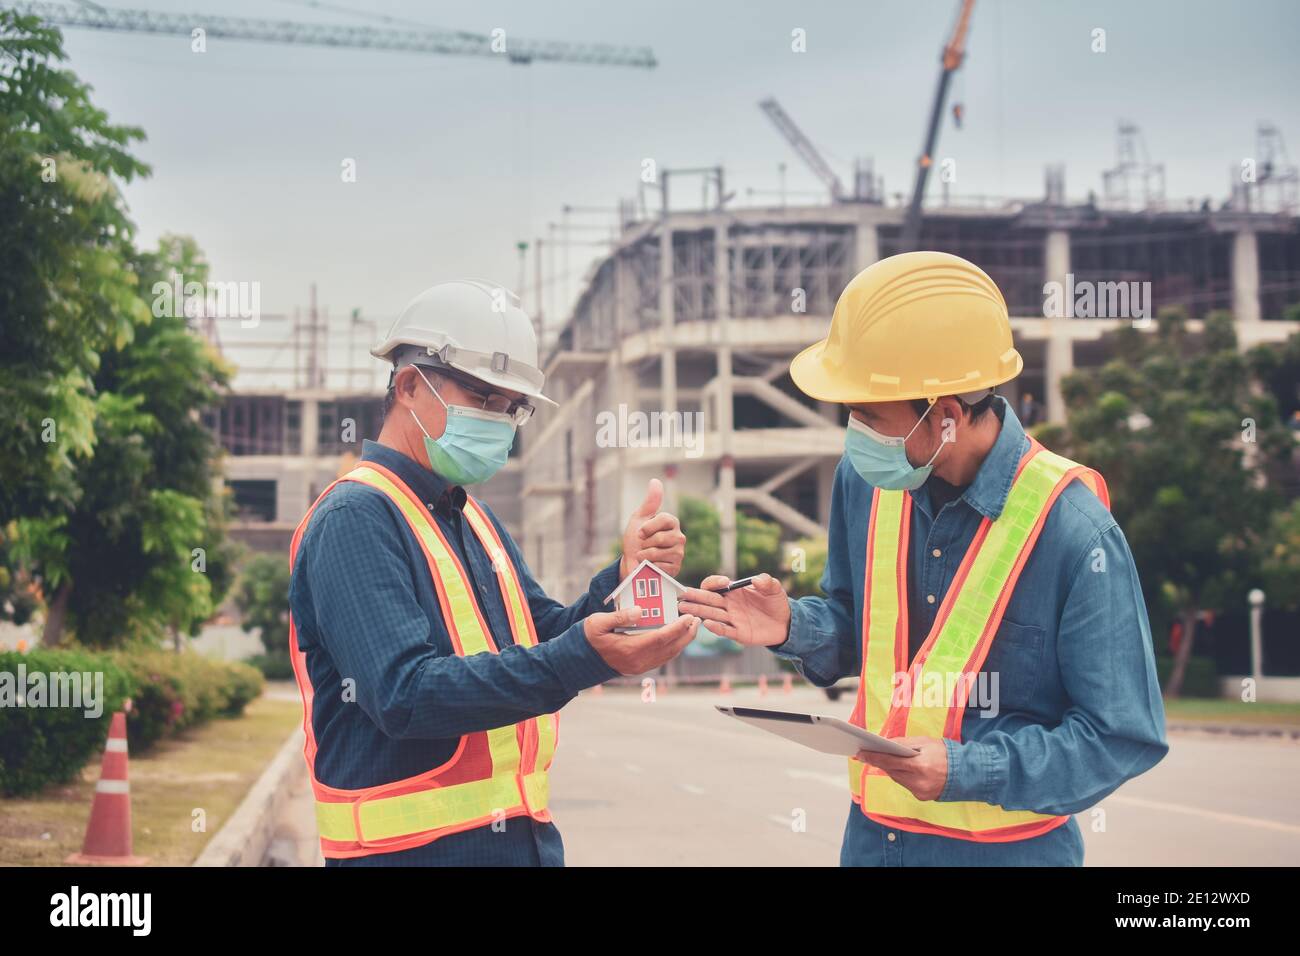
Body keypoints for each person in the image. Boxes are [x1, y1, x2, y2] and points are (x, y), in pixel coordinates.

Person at [681, 252, 1168, 866]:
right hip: (874, 841)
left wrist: (969, 770)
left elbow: (1121, 735)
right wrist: (791, 627)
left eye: (869, 415)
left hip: (1007, 856)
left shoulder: (1074, 531)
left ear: (946, 416)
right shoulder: (865, 482)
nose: (854, 433)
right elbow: (860, 630)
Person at [288, 279, 698, 866]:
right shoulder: (354, 519)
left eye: (513, 408)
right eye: (484, 399)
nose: (501, 421)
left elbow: (544, 634)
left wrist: (623, 579)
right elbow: (404, 695)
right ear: (409, 385)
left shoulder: (472, 517)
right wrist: (585, 658)